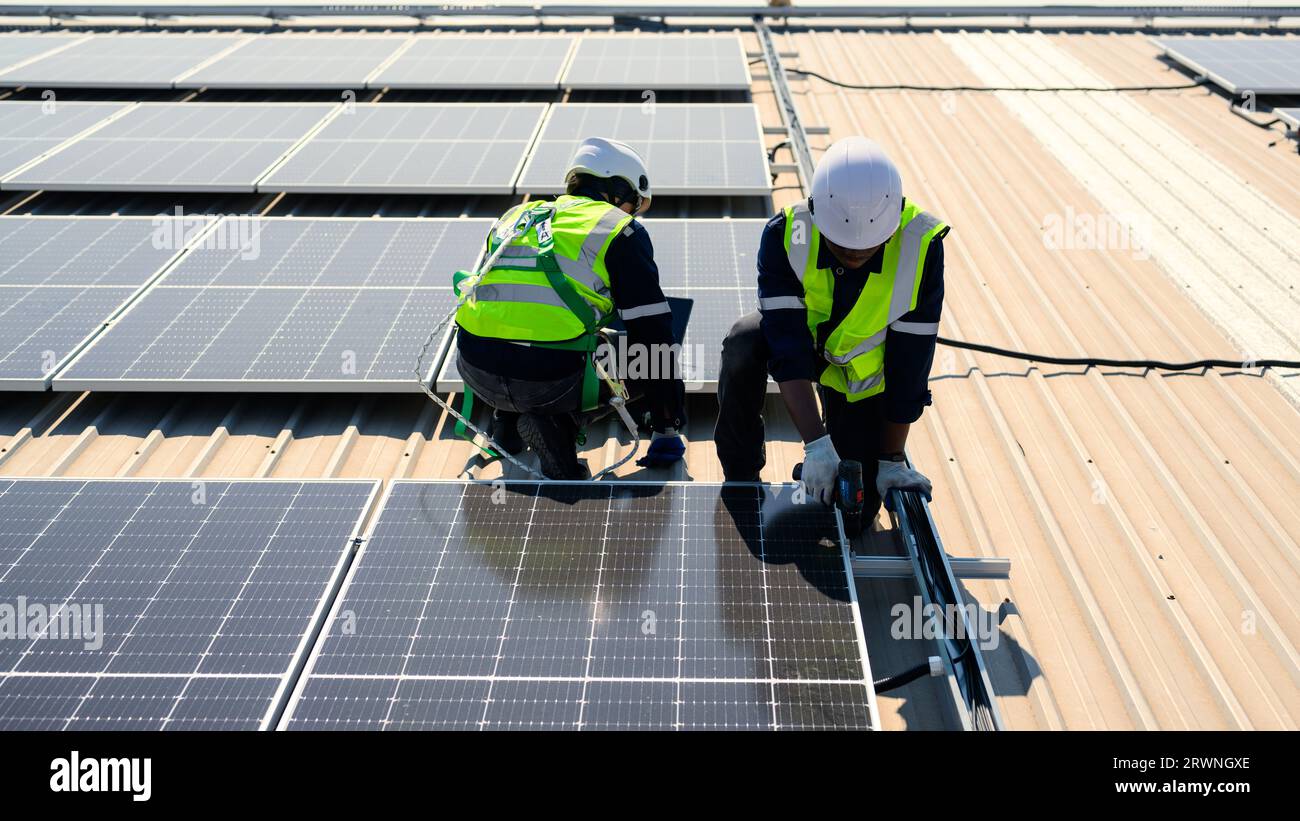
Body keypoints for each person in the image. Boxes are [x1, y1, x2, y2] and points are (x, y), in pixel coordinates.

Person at [715, 136, 946, 527]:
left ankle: (867, 458)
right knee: (744, 340)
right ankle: (741, 476)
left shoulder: (921, 247)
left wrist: (891, 461)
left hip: (861, 378)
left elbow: (911, 363)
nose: (855, 254)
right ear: (817, 214)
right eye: (841, 245)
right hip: (806, 353)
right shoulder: (785, 236)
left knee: (853, 516)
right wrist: (816, 444)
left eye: (869, 246)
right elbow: (786, 343)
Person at [454, 137, 686, 479]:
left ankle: (504, 425)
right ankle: (557, 426)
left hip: (475, 369)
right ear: (619, 192)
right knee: (651, 351)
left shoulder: (517, 215)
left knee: (518, 332)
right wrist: (667, 424)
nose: (632, 213)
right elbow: (651, 334)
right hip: (546, 381)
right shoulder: (617, 230)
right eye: (633, 204)